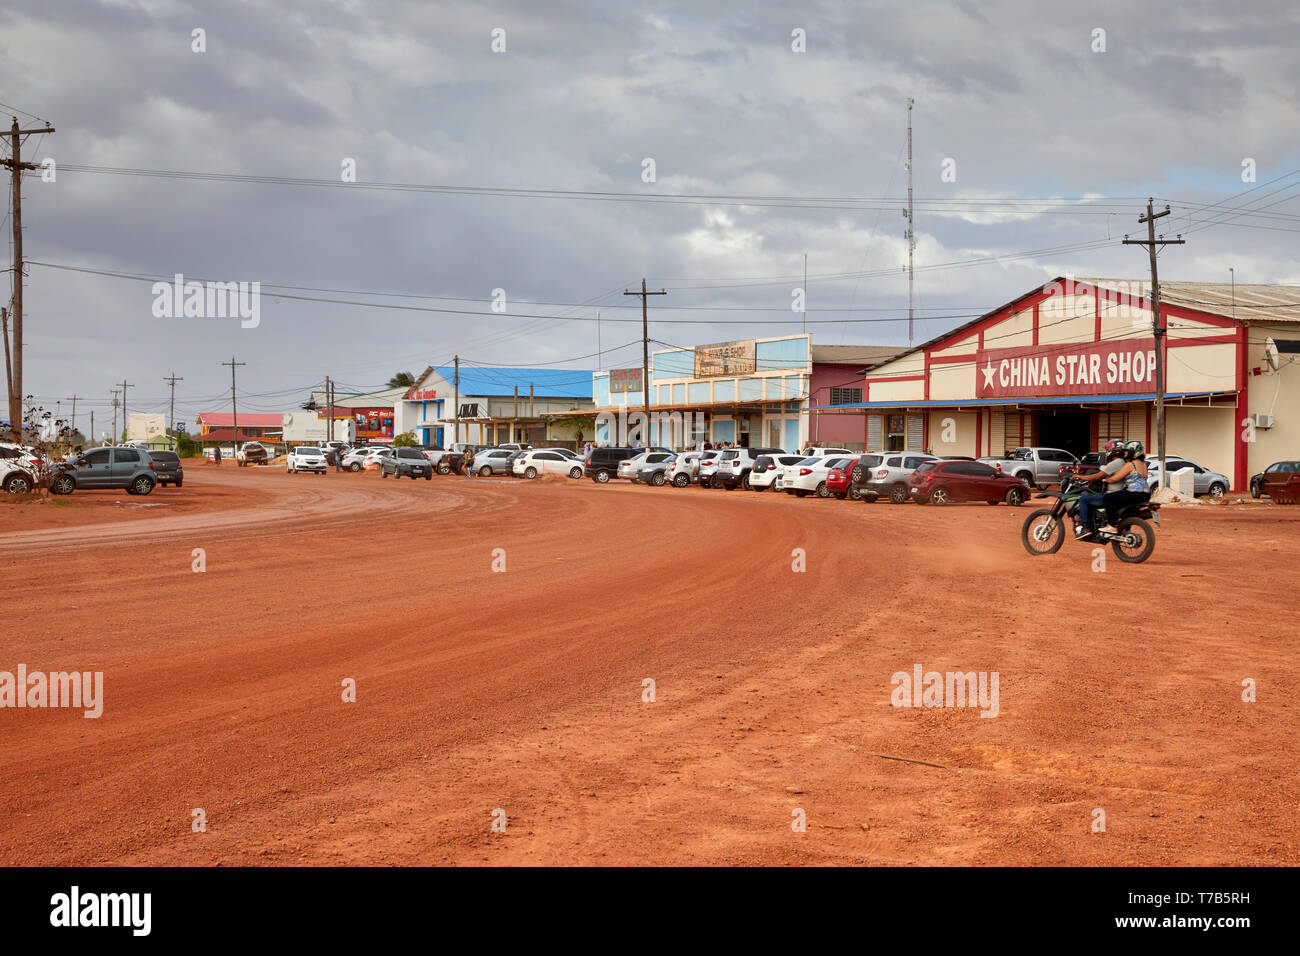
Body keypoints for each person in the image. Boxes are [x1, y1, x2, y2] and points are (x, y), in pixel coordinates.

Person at [1073, 439, 1127, 539]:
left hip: (1112, 494)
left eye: (1108, 449)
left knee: (1084, 499)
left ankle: (1086, 528)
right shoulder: (1123, 462)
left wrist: (1079, 477)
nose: (1107, 452)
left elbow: (1097, 476)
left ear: (1112, 450)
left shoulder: (1116, 463)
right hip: (1120, 493)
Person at [1098, 442, 1150, 533]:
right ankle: (1124, 524)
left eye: (1127, 451)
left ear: (1134, 452)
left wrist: (1105, 480)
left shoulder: (1131, 464)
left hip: (1134, 493)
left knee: (1107, 498)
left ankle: (1112, 525)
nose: (1125, 453)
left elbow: (1115, 478)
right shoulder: (1143, 464)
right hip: (1146, 494)